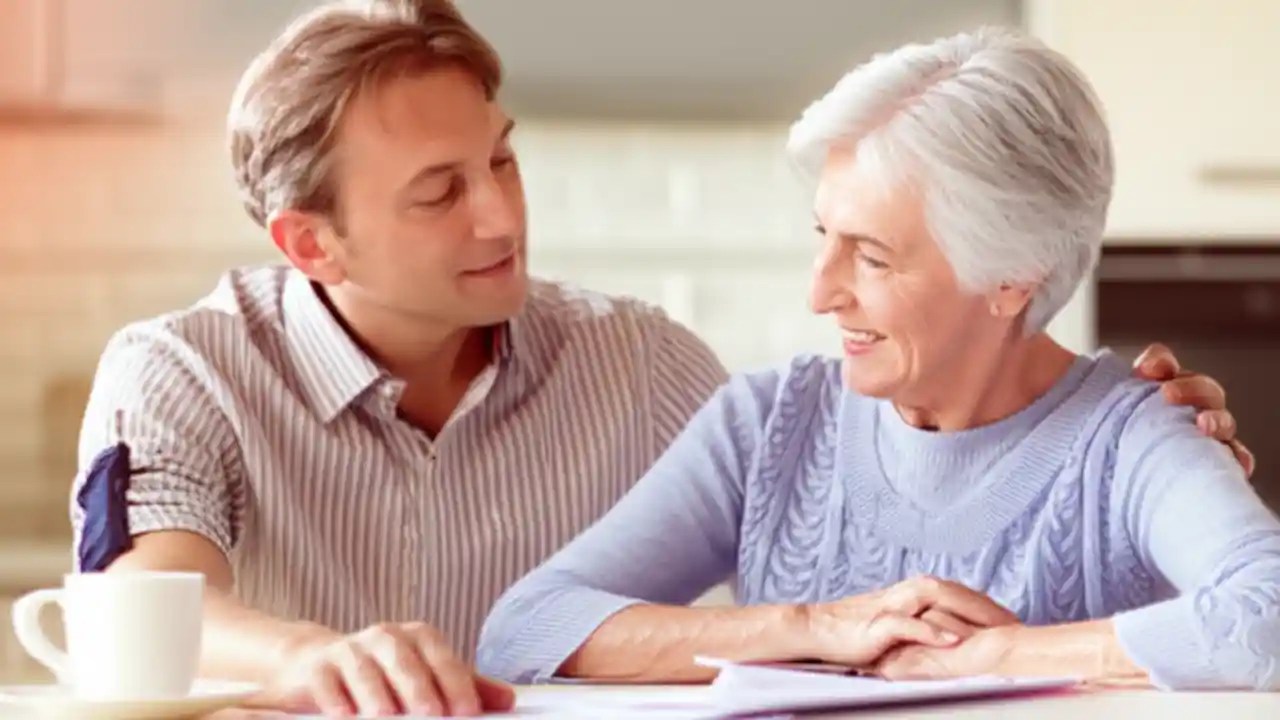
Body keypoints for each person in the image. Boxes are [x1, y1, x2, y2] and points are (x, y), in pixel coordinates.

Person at [69, 3, 1248, 717]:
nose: (499, 220)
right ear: (306, 243)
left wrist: (1007, 632)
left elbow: (1253, 607)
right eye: (440, 192)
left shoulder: (637, 362)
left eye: (503, 163)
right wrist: (811, 624)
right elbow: (155, 612)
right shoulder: (184, 370)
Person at [476, 27, 1280, 692]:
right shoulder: (768, 427)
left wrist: (1003, 658)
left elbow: (1269, 611)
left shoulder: (1133, 439)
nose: (820, 293)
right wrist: (820, 628)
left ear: (1011, 278)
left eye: (873, 257)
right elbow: (524, 630)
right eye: (824, 236)